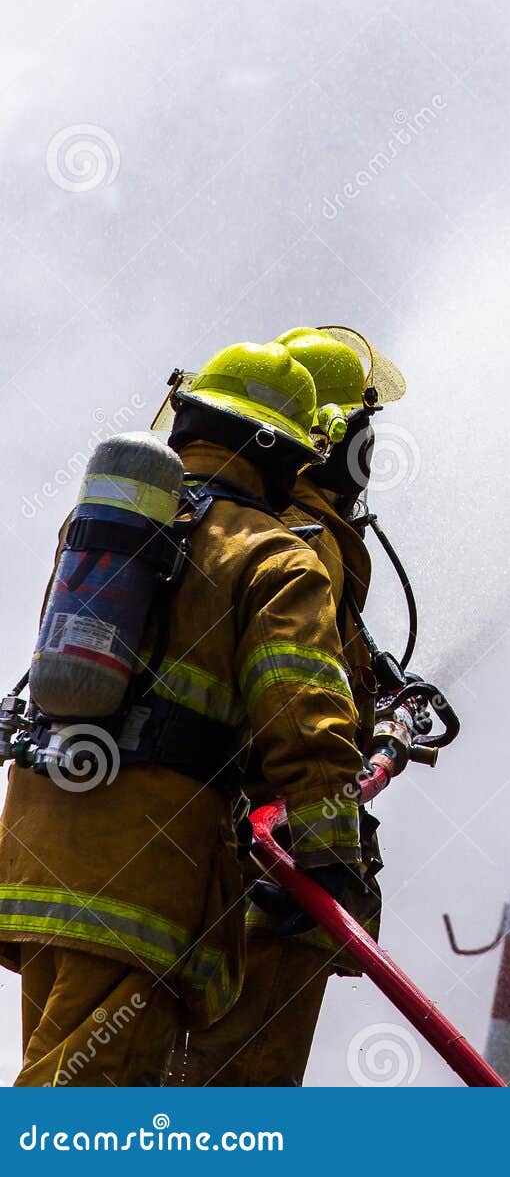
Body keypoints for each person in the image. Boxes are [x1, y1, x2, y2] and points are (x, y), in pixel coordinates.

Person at [0, 341, 365, 1086]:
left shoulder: (103, 527)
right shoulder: (277, 558)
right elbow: (304, 716)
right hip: (141, 877)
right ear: (284, 457)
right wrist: (333, 858)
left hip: (40, 845)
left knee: (54, 1075)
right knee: (83, 1123)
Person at [175, 325, 406, 1086]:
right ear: (338, 442)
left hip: (200, 865)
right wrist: (334, 852)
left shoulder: (234, 517)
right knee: (239, 1097)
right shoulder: (308, 544)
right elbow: (302, 704)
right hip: (272, 881)